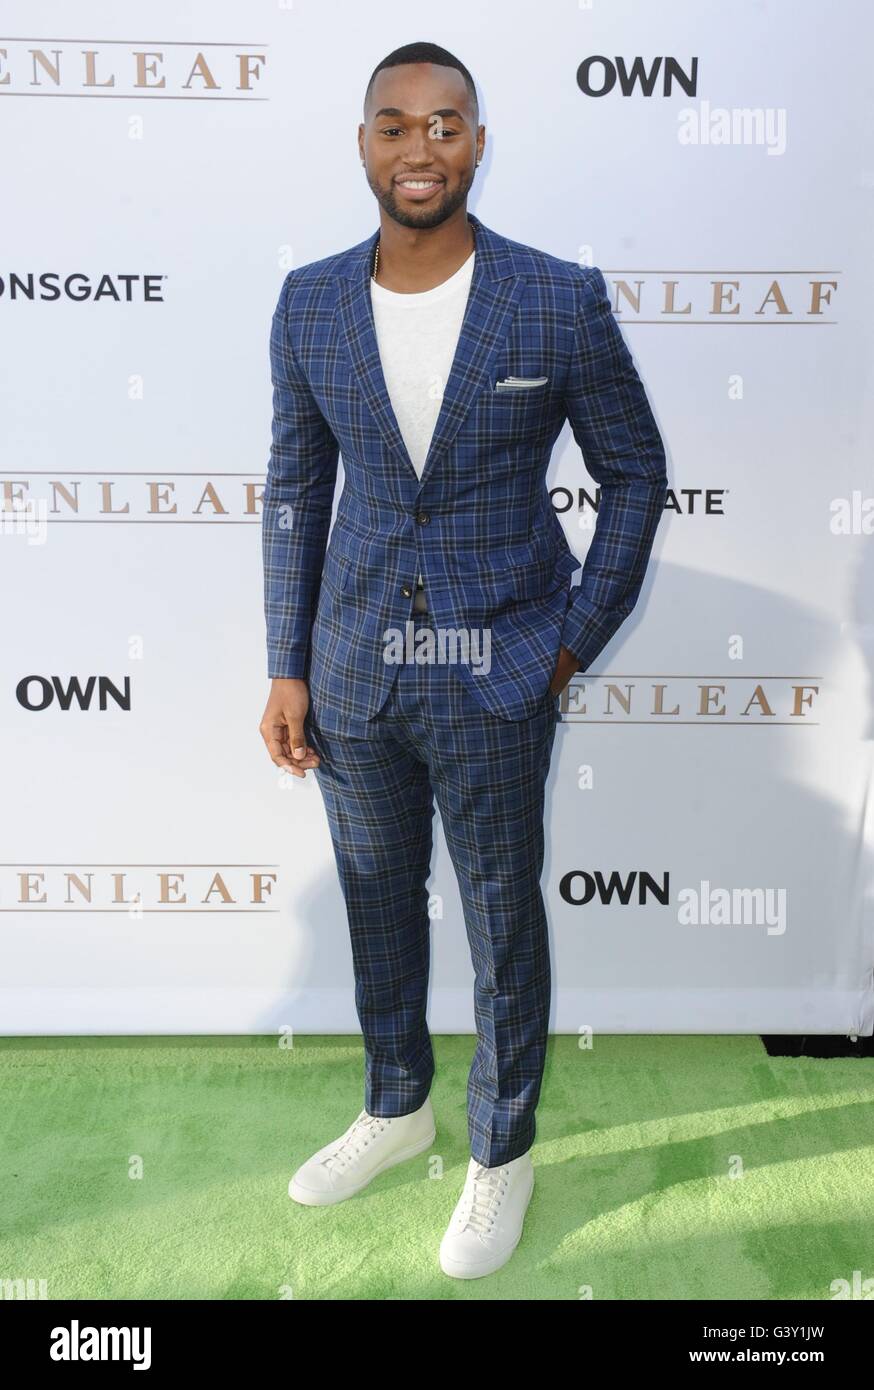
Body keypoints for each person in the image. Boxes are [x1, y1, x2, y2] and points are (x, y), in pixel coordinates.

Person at [259, 40, 667, 1279]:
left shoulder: (556, 295)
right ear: (365, 145)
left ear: (478, 144)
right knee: (379, 908)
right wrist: (287, 662)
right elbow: (296, 487)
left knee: (498, 915)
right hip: (353, 669)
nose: (419, 147)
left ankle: (502, 1151)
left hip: (502, 667)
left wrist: (568, 646)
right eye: (395, 125)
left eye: (446, 125)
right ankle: (397, 1108)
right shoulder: (310, 299)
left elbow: (635, 476)